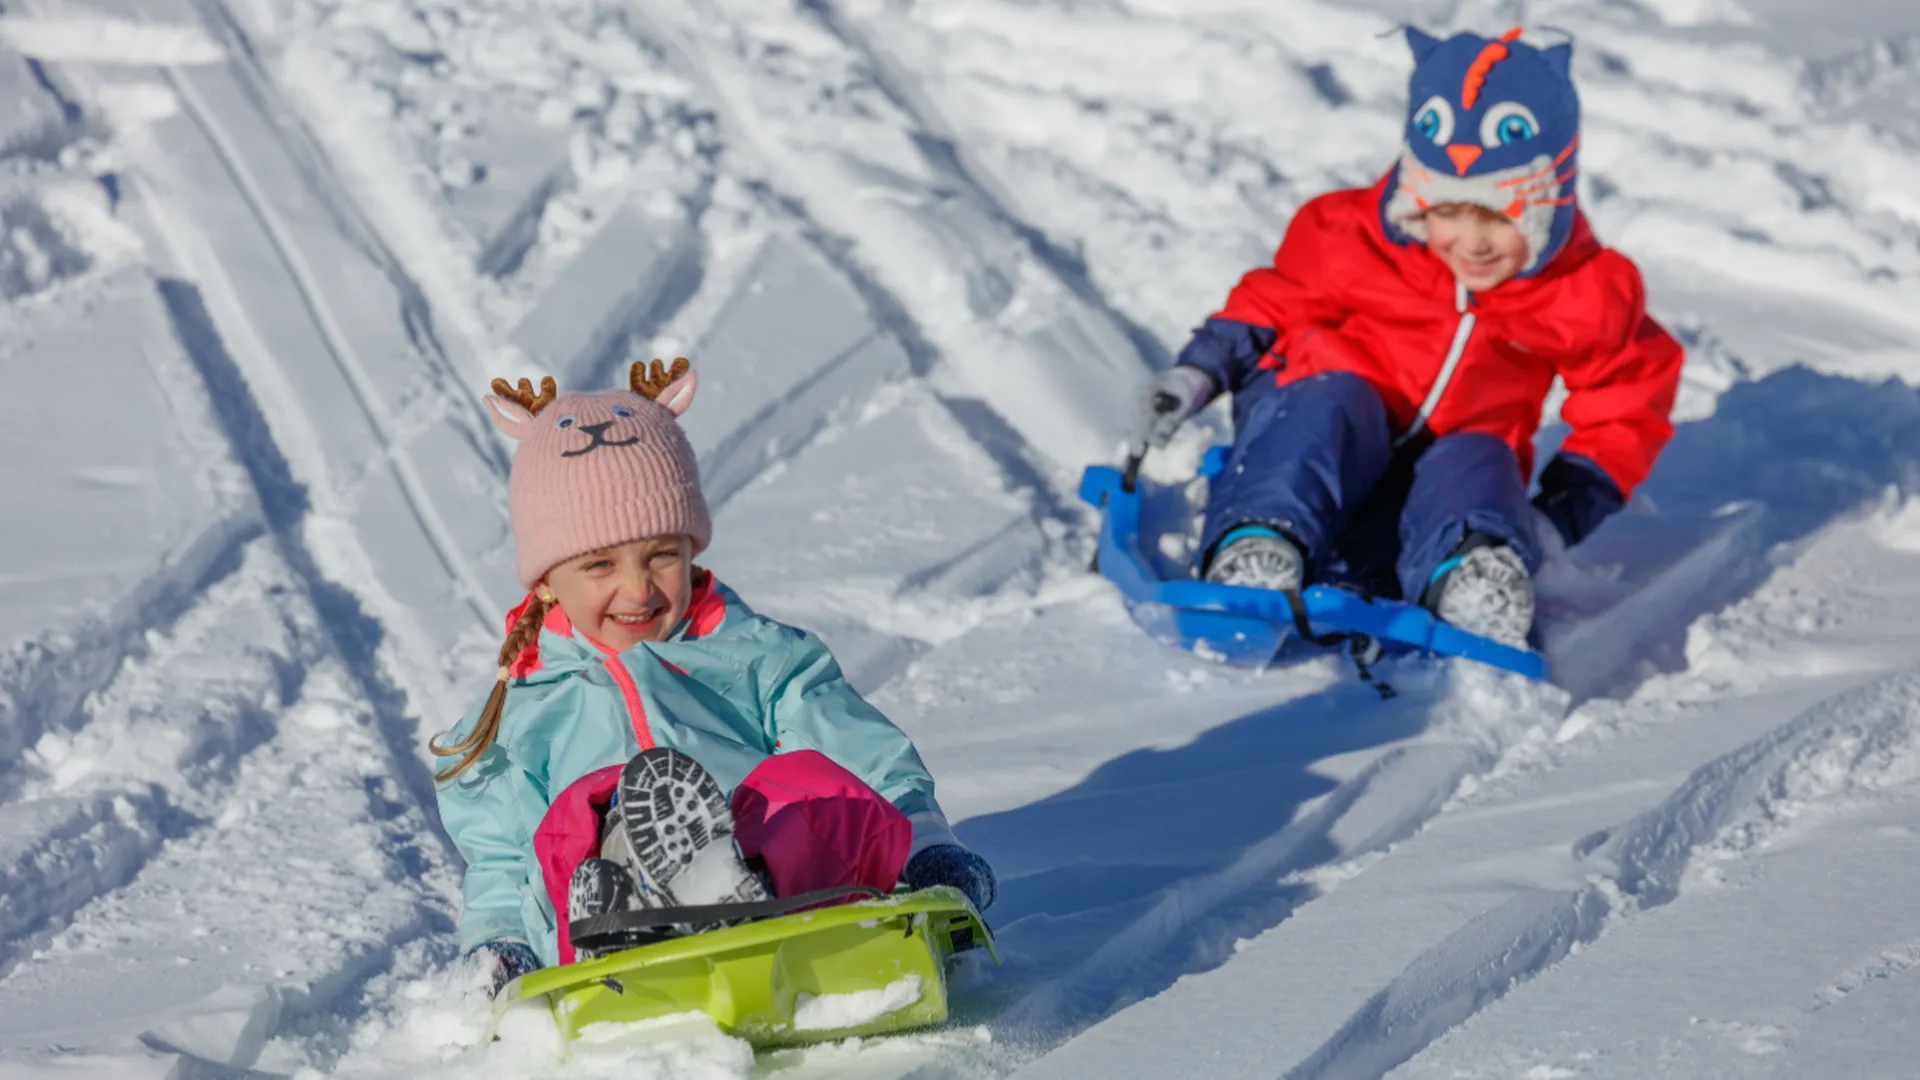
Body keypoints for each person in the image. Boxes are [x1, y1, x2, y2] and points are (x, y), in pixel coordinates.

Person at [432, 359, 996, 996]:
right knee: (574, 821)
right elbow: (504, 861)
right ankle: (636, 899)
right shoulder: (524, 709)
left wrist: (925, 848)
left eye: (662, 555)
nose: (637, 588)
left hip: (777, 877)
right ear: (544, 579)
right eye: (599, 565)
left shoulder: (757, 656)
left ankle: (723, 887)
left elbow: (864, 753)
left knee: (808, 787)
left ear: (692, 548)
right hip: (597, 926)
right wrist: (501, 946)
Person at [1133, 26, 1684, 645]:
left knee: (1480, 454)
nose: (1471, 243)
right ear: (1417, 198)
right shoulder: (1351, 238)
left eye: (1500, 219)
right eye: (1447, 211)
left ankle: (1472, 575)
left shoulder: (1582, 290)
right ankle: (1259, 545)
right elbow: (1268, 305)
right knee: (1333, 401)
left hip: (1426, 491)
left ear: (1546, 207)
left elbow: (1630, 396)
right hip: (1317, 435)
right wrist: (1199, 372)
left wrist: (1560, 513)